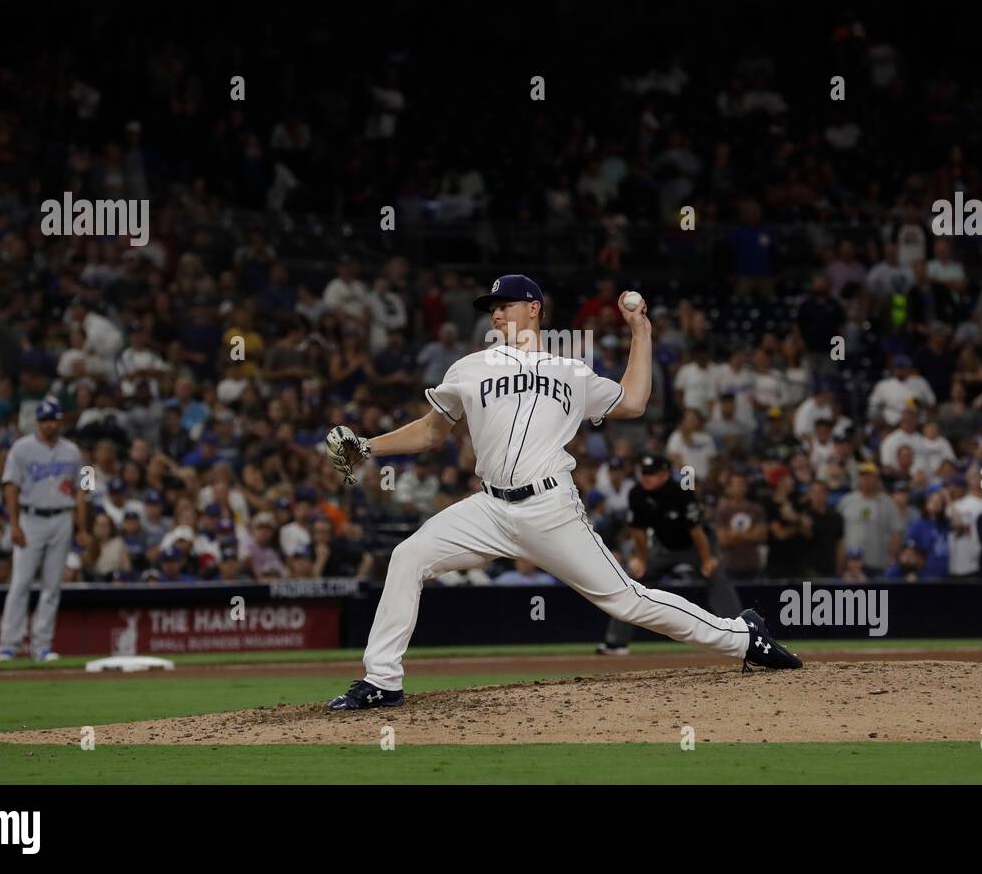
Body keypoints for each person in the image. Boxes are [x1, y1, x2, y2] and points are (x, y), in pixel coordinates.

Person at [321, 274, 801, 711]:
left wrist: (641, 332)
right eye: (492, 307)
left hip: (551, 508)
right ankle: (382, 680)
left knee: (626, 600)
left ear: (534, 308)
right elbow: (430, 433)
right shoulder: (469, 367)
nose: (496, 313)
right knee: (408, 556)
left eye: (506, 304)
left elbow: (633, 402)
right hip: (488, 508)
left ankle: (742, 637)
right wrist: (368, 445)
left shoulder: (570, 370)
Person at [598, 454, 744, 654]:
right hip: (663, 547)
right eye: (644, 473)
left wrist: (707, 559)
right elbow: (638, 532)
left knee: (716, 575)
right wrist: (641, 558)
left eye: (652, 474)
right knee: (632, 579)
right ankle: (616, 642)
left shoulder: (681, 492)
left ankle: (743, 634)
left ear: (665, 475)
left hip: (695, 546)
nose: (646, 477)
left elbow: (696, 530)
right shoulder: (637, 493)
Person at [0, 397, 88, 662]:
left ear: (59, 421)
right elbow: (10, 487)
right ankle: (8, 645)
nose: (49, 425)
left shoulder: (72, 451)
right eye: (45, 420)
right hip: (30, 517)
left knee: (52, 586)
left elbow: (82, 490)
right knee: (21, 583)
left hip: (62, 517)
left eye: (53, 419)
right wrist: (13, 525)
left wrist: (82, 527)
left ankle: (41, 646)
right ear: (37, 422)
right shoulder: (21, 449)